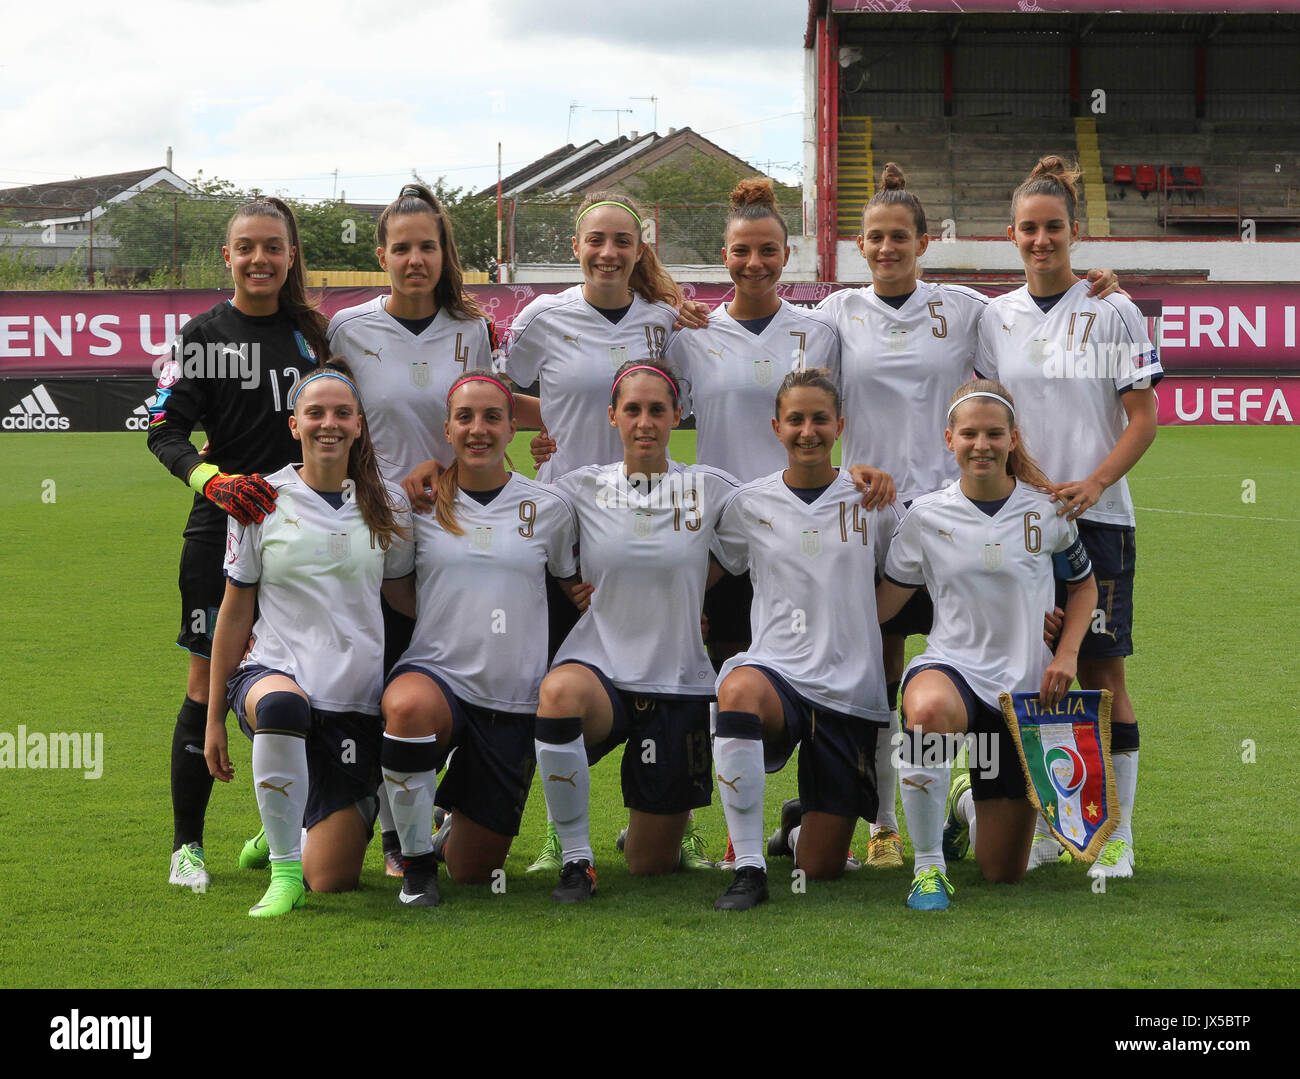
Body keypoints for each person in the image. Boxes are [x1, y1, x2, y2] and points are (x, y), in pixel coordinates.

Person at [815, 163, 1121, 873]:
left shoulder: (967, 309)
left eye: (901, 237)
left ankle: (976, 803)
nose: (887, 248)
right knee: (883, 674)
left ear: (924, 241)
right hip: (880, 523)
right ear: (860, 246)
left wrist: (1101, 287)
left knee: (1001, 649)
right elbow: (805, 405)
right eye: (875, 238)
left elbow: (1014, 366)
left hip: (968, 517)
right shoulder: (835, 313)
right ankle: (890, 825)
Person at [492, 192, 713, 873]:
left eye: (623, 241)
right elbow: (498, 397)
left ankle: (677, 814)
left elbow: (682, 399)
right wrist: (548, 428)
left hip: (646, 523)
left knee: (670, 660)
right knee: (550, 679)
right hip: (567, 524)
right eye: (597, 240)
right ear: (576, 245)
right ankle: (563, 831)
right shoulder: (540, 318)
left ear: (640, 248)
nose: (609, 253)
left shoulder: (664, 324)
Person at [324, 183, 539, 877]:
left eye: (429, 246)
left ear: (445, 253)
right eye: (403, 247)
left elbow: (480, 417)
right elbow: (332, 424)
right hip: (373, 532)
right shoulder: (349, 329)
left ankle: (435, 808)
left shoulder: (470, 330)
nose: (416, 259)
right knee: (381, 675)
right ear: (381, 254)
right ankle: (379, 824)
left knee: (450, 663)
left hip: (454, 529)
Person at [976, 155, 1162, 879]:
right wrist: (1031, 483)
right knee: (1041, 670)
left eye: (1053, 227)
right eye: (1029, 228)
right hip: (1023, 520)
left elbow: (1143, 418)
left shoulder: (1113, 307)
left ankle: (1115, 832)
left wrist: (1093, 482)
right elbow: (993, 418)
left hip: (1101, 516)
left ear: (1074, 230)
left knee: (1101, 671)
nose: (1041, 239)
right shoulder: (995, 316)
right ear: (1011, 235)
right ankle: (1062, 821)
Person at [148, 196, 328, 890]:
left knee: (310, 677)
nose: (259, 259)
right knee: (208, 683)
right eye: (246, 247)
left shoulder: (313, 334)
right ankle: (187, 847)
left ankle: (276, 823)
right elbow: (164, 431)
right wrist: (212, 480)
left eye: (272, 247)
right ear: (227, 257)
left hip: (309, 536)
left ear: (289, 256)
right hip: (221, 530)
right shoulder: (199, 336)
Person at [875, 379, 1098, 910]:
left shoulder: (1047, 511)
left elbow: (1084, 586)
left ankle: (962, 805)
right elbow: (884, 604)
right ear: (948, 438)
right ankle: (929, 869)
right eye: (969, 433)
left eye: (994, 434)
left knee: (1001, 872)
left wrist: (1066, 654)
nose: (982, 444)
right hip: (953, 672)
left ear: (1013, 438)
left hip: (1021, 700)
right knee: (926, 713)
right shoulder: (925, 515)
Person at [204, 361, 415, 917]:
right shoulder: (259, 500)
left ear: (359, 425)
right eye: (315, 413)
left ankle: (282, 824)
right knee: (281, 705)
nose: (329, 423)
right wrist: (212, 719)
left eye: (342, 413)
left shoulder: (388, 504)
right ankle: (281, 871)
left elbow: (403, 598)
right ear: (294, 425)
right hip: (274, 672)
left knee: (336, 880)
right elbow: (233, 612)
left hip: (354, 700)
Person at [535, 359, 739, 902]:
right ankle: (576, 859)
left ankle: (645, 833)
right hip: (600, 672)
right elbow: (515, 519)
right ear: (613, 417)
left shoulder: (710, 488)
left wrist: (695, 587)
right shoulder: (579, 487)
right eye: (632, 409)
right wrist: (568, 584)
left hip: (676, 682)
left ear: (677, 416)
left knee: (652, 867)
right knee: (557, 695)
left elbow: (770, 523)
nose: (644, 421)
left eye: (657, 409)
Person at [379, 371, 585, 906]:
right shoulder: (418, 505)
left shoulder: (548, 507)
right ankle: (416, 863)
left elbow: (572, 586)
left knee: (474, 870)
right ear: (445, 429)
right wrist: (453, 620)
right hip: (437, 674)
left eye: (492, 417)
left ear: (512, 426)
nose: (478, 429)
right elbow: (398, 591)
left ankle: (446, 819)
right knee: (405, 707)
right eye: (465, 418)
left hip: (512, 698)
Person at [710, 369, 901, 910]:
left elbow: (913, 576)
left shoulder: (874, 500)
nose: (808, 430)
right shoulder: (749, 504)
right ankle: (747, 865)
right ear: (777, 426)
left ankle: (794, 829)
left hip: (848, 690)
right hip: (778, 673)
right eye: (796, 419)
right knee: (739, 692)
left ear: (840, 425)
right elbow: (708, 572)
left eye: (820, 419)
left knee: (818, 869)